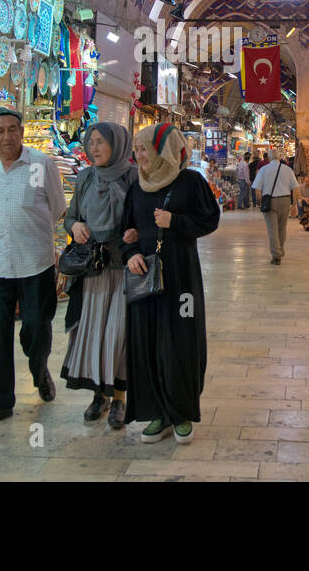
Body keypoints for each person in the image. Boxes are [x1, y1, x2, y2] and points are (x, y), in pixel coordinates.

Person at [121, 123, 219, 444]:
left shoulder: (190, 181)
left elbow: (209, 220)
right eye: (136, 150)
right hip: (145, 276)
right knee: (147, 340)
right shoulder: (137, 187)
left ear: (162, 151)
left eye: (144, 149)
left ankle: (181, 413)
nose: (139, 156)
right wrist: (131, 252)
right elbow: (127, 231)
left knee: (179, 339)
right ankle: (156, 414)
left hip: (180, 276)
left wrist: (175, 222)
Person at [0, 107, 67, 428]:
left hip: (36, 265)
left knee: (35, 330)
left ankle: (39, 370)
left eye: (13, 129)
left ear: (22, 132)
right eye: (0, 131)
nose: (7, 136)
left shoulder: (41, 164)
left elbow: (57, 209)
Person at [61, 123, 137, 428]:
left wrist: (137, 232)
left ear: (116, 145)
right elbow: (70, 216)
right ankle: (99, 394)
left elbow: (143, 216)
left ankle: (119, 397)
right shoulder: (86, 177)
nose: (94, 148)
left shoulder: (132, 177)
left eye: (100, 142)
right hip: (92, 268)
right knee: (92, 333)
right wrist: (74, 227)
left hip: (123, 267)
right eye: (90, 142)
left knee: (117, 335)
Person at [252, 153, 299, 264]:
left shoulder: (263, 170)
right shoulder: (287, 169)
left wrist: (260, 203)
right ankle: (280, 250)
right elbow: (295, 188)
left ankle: (276, 255)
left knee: (272, 229)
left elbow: (257, 190)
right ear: (279, 157)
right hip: (285, 201)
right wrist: (295, 205)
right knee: (282, 227)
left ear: (268, 158)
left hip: (270, 201)